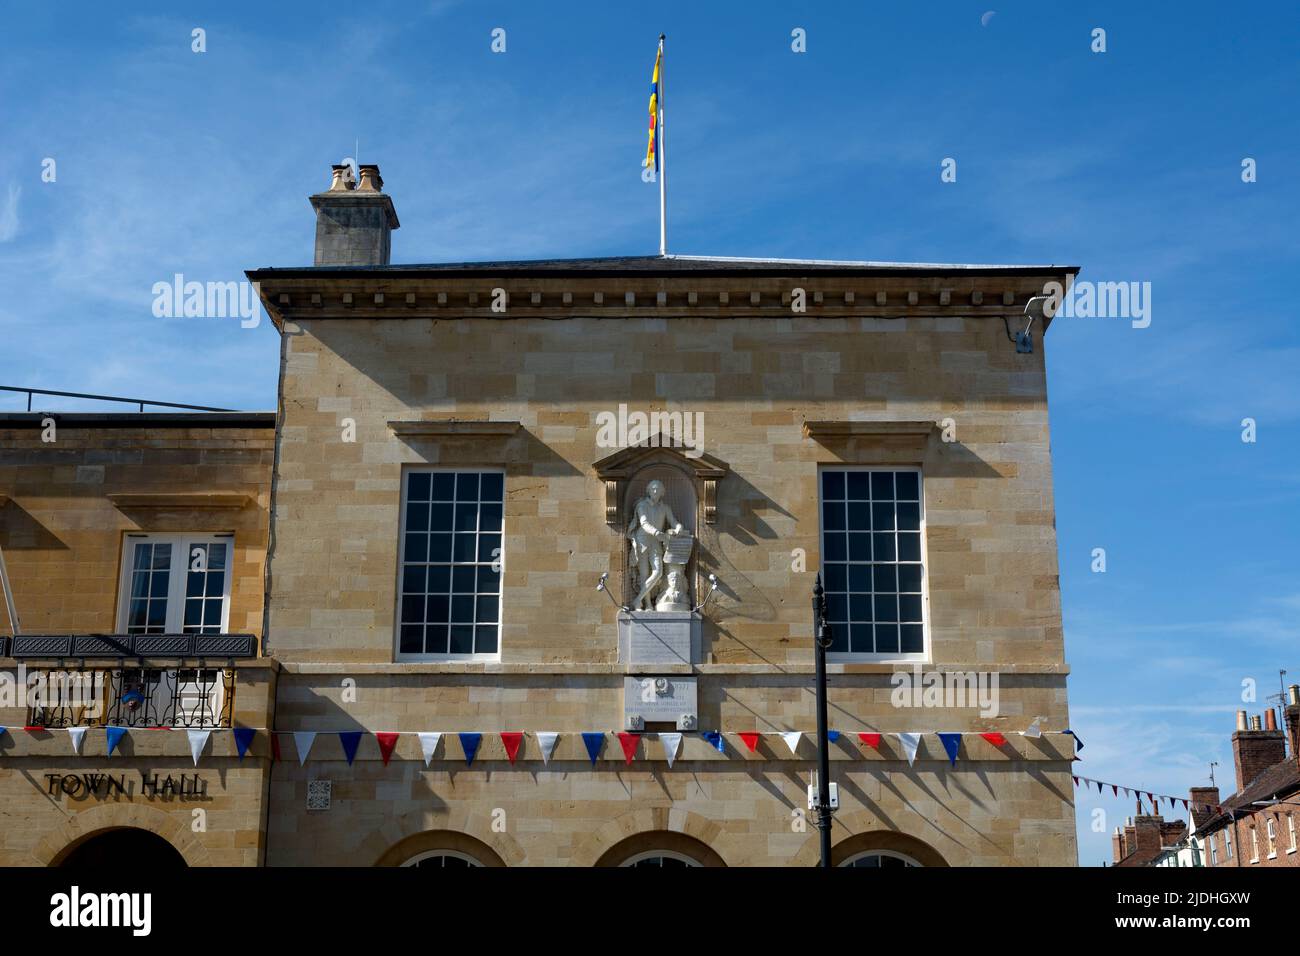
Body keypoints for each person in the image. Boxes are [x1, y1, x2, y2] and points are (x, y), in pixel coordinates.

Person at [626, 479, 682, 610]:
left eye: (658, 489)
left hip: (656, 541)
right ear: (648, 491)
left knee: (658, 572)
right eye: (653, 489)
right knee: (644, 573)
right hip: (642, 540)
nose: (655, 491)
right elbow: (644, 523)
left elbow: (673, 521)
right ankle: (648, 604)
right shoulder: (642, 505)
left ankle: (637, 600)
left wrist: (679, 527)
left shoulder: (665, 508)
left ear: (662, 492)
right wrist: (658, 533)